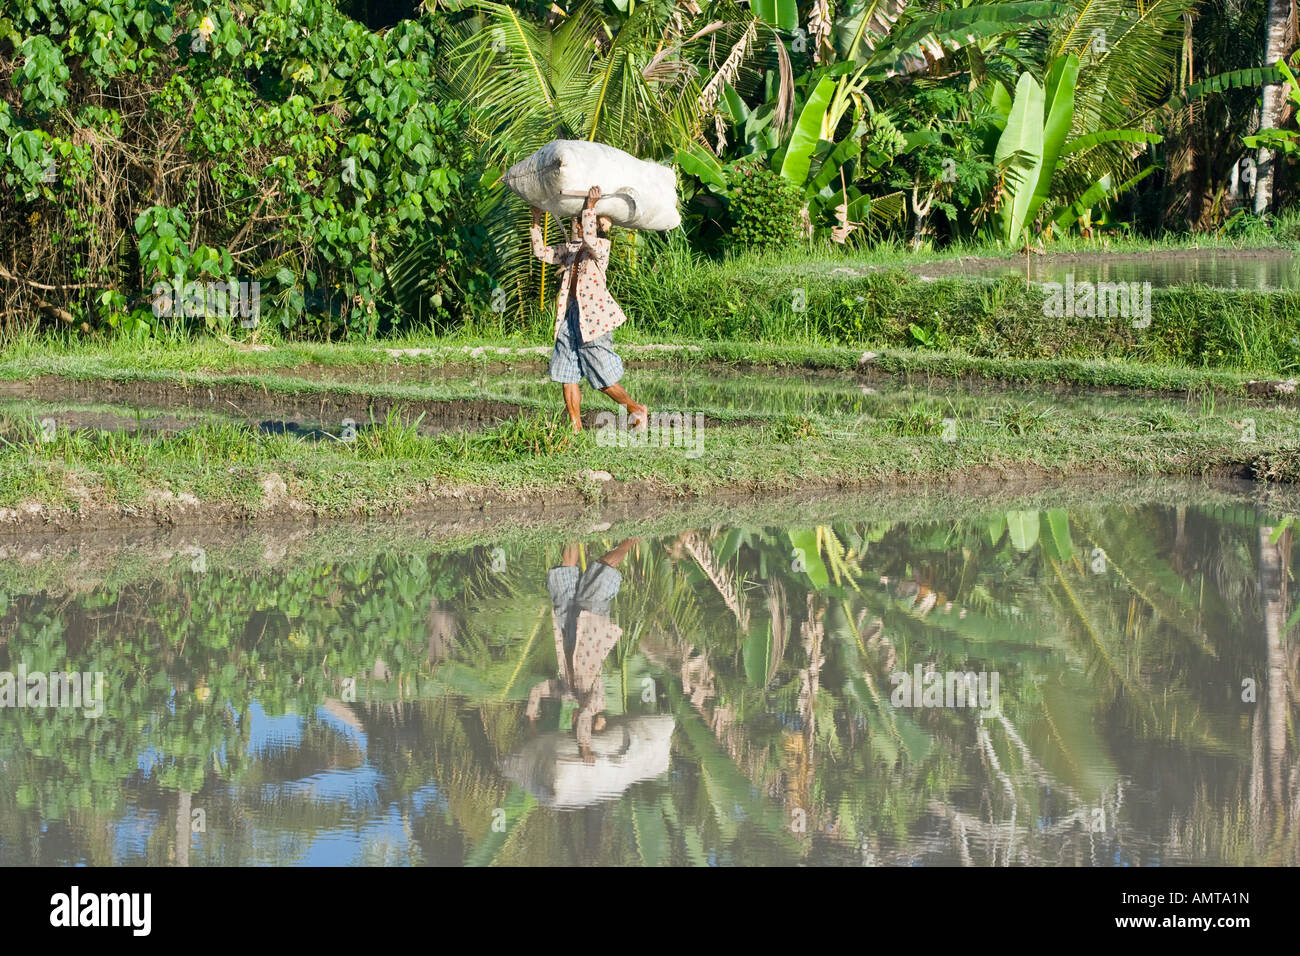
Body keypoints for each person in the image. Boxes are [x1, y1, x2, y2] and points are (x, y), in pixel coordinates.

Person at [529, 187, 649, 433]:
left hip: (593, 322)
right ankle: (575, 427)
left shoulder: (601, 248)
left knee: (603, 378)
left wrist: (591, 207)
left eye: (582, 223)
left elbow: (591, 240)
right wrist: (537, 219)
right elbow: (541, 252)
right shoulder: (570, 251)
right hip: (570, 317)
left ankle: (635, 408)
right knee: (566, 373)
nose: (577, 227)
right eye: (577, 223)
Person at [525, 538, 638, 763]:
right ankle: (633, 539)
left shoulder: (568, 691)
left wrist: (531, 720)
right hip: (591, 623)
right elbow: (587, 714)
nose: (575, 718)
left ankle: (573, 530)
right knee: (601, 570)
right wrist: (584, 747)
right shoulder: (597, 700)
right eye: (577, 723)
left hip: (568, 626)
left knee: (566, 572)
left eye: (574, 722)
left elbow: (538, 690)